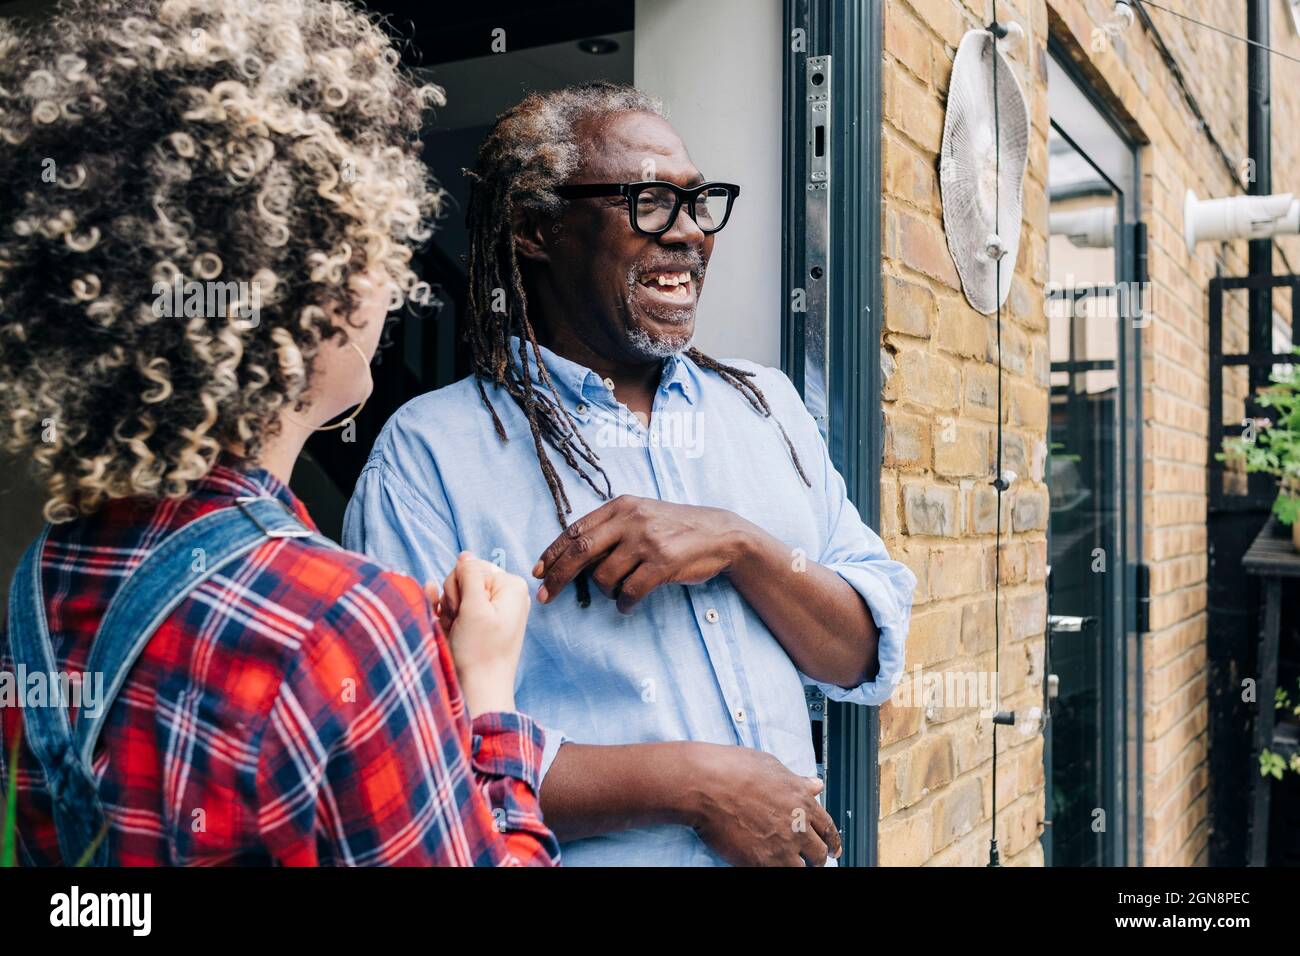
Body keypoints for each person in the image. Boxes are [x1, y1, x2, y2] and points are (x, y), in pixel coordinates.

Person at [0, 0, 558, 866]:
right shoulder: (349, 621)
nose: (392, 281)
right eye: (372, 244)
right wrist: (485, 693)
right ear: (309, 290)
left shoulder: (47, 574)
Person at [344, 83, 917, 866]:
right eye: (649, 201)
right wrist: (693, 784)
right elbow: (412, 757)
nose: (688, 234)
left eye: (697, 201)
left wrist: (741, 547)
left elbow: (859, 658)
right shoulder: (431, 455)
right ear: (538, 227)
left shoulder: (768, 408)